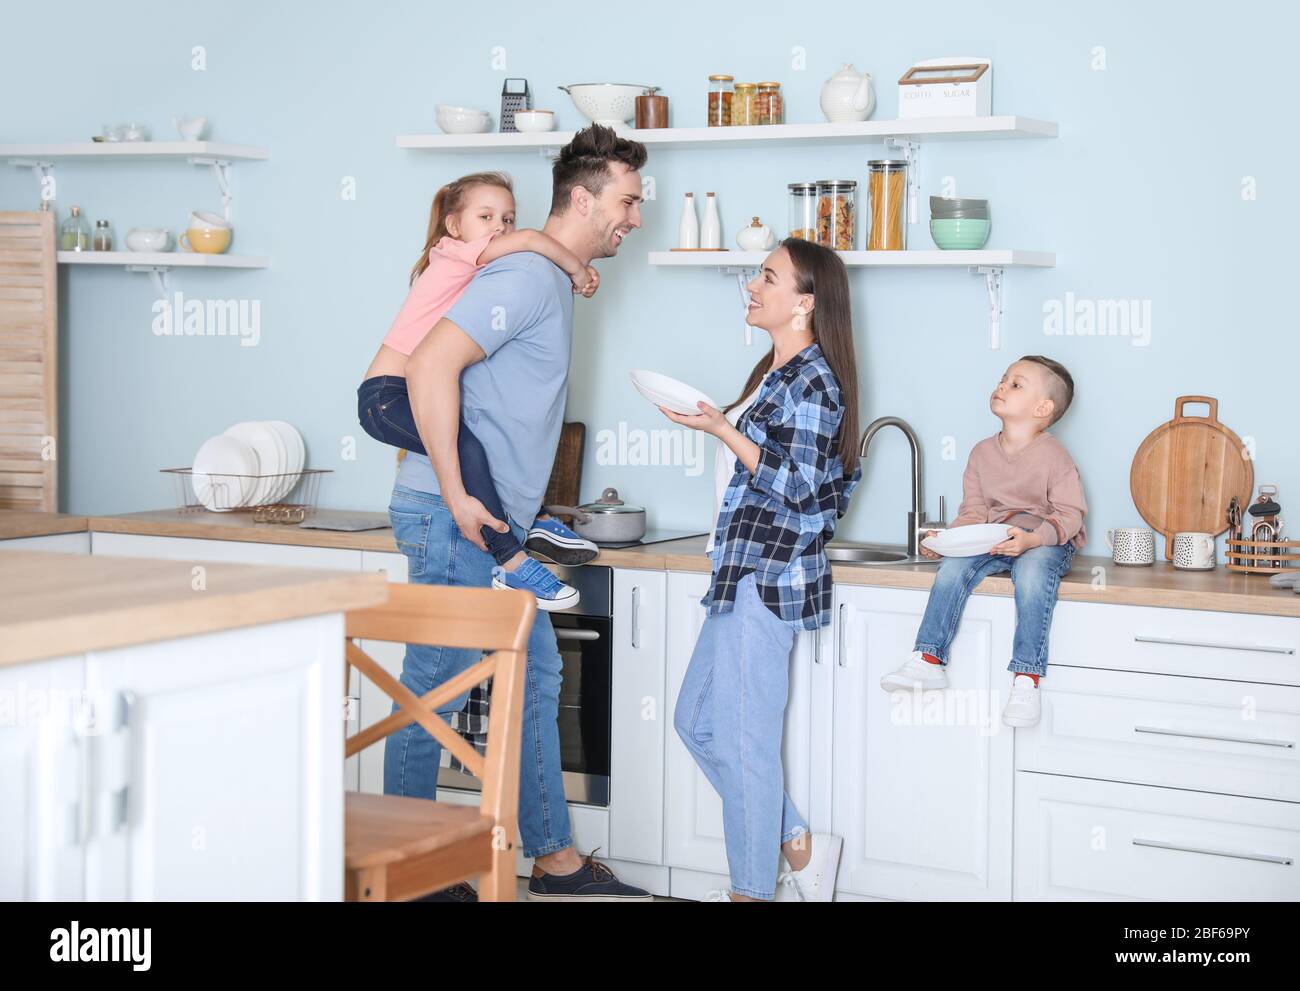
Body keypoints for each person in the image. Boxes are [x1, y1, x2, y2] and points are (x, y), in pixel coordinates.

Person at [386, 125, 654, 901]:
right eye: (628, 202)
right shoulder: (530, 278)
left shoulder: (545, 273)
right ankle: (409, 871)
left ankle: (555, 860)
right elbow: (430, 364)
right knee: (432, 690)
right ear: (583, 197)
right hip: (455, 516)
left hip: (488, 522)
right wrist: (460, 490)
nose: (633, 219)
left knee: (536, 676)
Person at [662, 238, 861, 902]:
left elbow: (802, 485)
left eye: (768, 277)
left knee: (746, 749)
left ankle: (751, 891)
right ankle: (800, 844)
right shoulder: (773, 373)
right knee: (696, 721)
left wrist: (724, 430)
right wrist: (720, 424)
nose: (753, 284)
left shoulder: (814, 380)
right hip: (737, 571)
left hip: (768, 578)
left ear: (805, 302)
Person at [357, 171, 599, 609]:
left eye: (506, 218)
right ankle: (511, 561)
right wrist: (578, 270)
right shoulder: (455, 253)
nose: (499, 228)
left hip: (397, 393)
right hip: (385, 397)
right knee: (466, 446)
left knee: (477, 441)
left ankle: (534, 519)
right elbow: (531, 239)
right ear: (454, 226)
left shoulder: (477, 266)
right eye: (485, 216)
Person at [881, 356, 1087, 728]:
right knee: (952, 568)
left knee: (1032, 574)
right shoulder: (981, 453)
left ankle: (1026, 677)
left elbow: (1071, 514)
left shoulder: (1055, 456)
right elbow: (974, 512)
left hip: (1045, 540)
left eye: (1017, 384)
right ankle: (928, 659)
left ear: (1042, 408)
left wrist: (1032, 540)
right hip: (994, 538)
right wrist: (948, 542)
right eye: (1004, 379)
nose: (1002, 386)